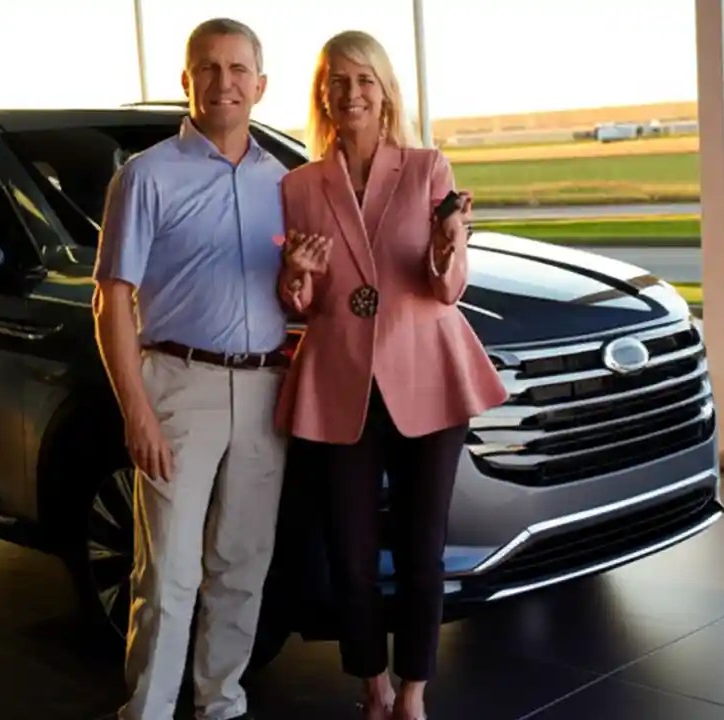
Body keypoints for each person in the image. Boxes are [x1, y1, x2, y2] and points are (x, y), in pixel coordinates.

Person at [273, 30, 508, 720]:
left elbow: (447, 290)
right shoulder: (298, 186)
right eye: (338, 81)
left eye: (364, 80)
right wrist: (297, 276)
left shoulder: (429, 167)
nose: (351, 93)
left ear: (384, 91)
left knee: (420, 548)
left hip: (427, 376)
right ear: (323, 93)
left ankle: (413, 693)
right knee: (350, 549)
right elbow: (302, 304)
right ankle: (370, 687)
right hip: (340, 379)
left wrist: (446, 248)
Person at [92, 17, 289, 720]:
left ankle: (222, 703)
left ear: (260, 85)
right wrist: (136, 410)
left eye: (238, 69)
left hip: (268, 390)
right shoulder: (145, 177)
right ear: (186, 81)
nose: (223, 82)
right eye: (208, 68)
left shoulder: (283, 183)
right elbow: (110, 302)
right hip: (178, 387)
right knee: (169, 573)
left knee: (241, 565)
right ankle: (145, 710)